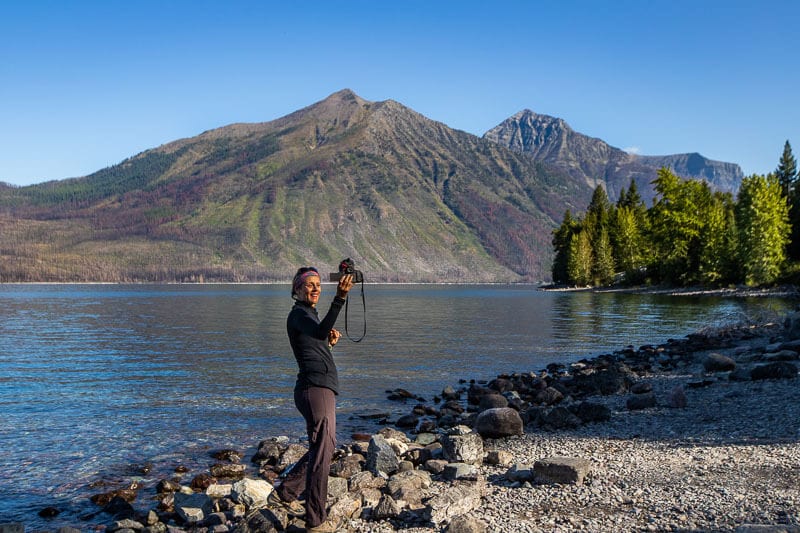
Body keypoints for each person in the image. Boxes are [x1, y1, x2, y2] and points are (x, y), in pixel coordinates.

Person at [268, 266, 353, 532]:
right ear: (297, 289)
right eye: (309, 285)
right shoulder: (298, 315)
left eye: (319, 284)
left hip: (320, 388)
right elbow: (317, 333)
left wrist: (329, 345)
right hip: (314, 389)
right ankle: (316, 521)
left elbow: (316, 342)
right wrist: (339, 298)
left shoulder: (310, 315)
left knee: (322, 449)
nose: (316, 288)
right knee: (323, 450)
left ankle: (285, 493)